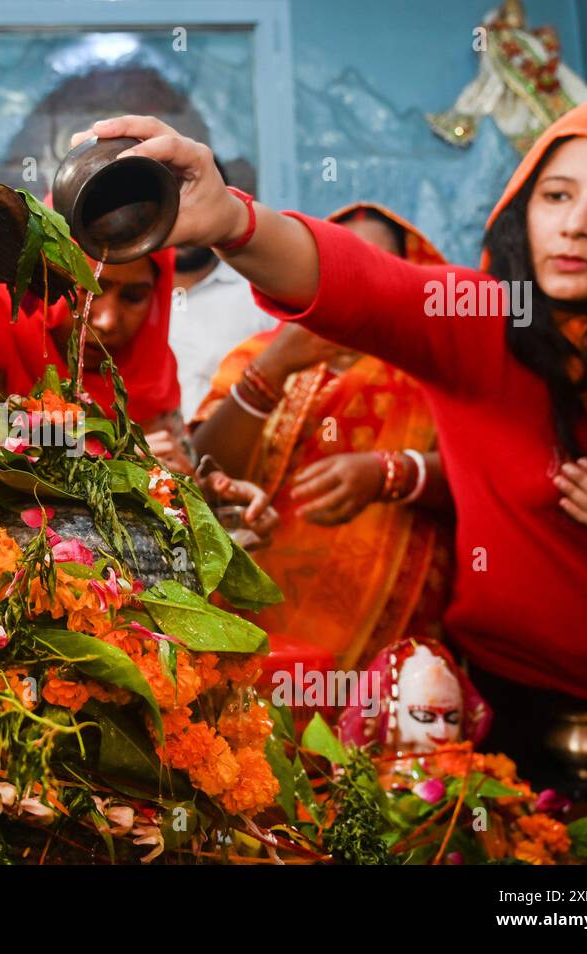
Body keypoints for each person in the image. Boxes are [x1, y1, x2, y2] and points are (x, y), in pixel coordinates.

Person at [75, 91, 587, 769]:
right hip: (506, 706)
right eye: (557, 195)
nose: (579, 226)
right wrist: (234, 223)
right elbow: (371, 287)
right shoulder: (484, 326)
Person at [0, 249, 276, 543]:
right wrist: (80, 464)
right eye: (88, 292)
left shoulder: (148, 369)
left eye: (135, 297)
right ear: (50, 279)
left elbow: (168, 486)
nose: (105, 320)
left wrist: (215, 501)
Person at [190, 204, 454, 668]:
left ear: (408, 275)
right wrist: (271, 370)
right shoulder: (258, 355)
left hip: (389, 630)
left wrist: (387, 474)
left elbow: (482, 478)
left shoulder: (433, 368)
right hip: (261, 618)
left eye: (377, 264)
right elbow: (202, 476)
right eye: (338, 264)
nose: (357, 278)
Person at [168, 157, 276, 422]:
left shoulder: (259, 296)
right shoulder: (119, 300)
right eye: (170, 206)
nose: (183, 220)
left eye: (195, 206)